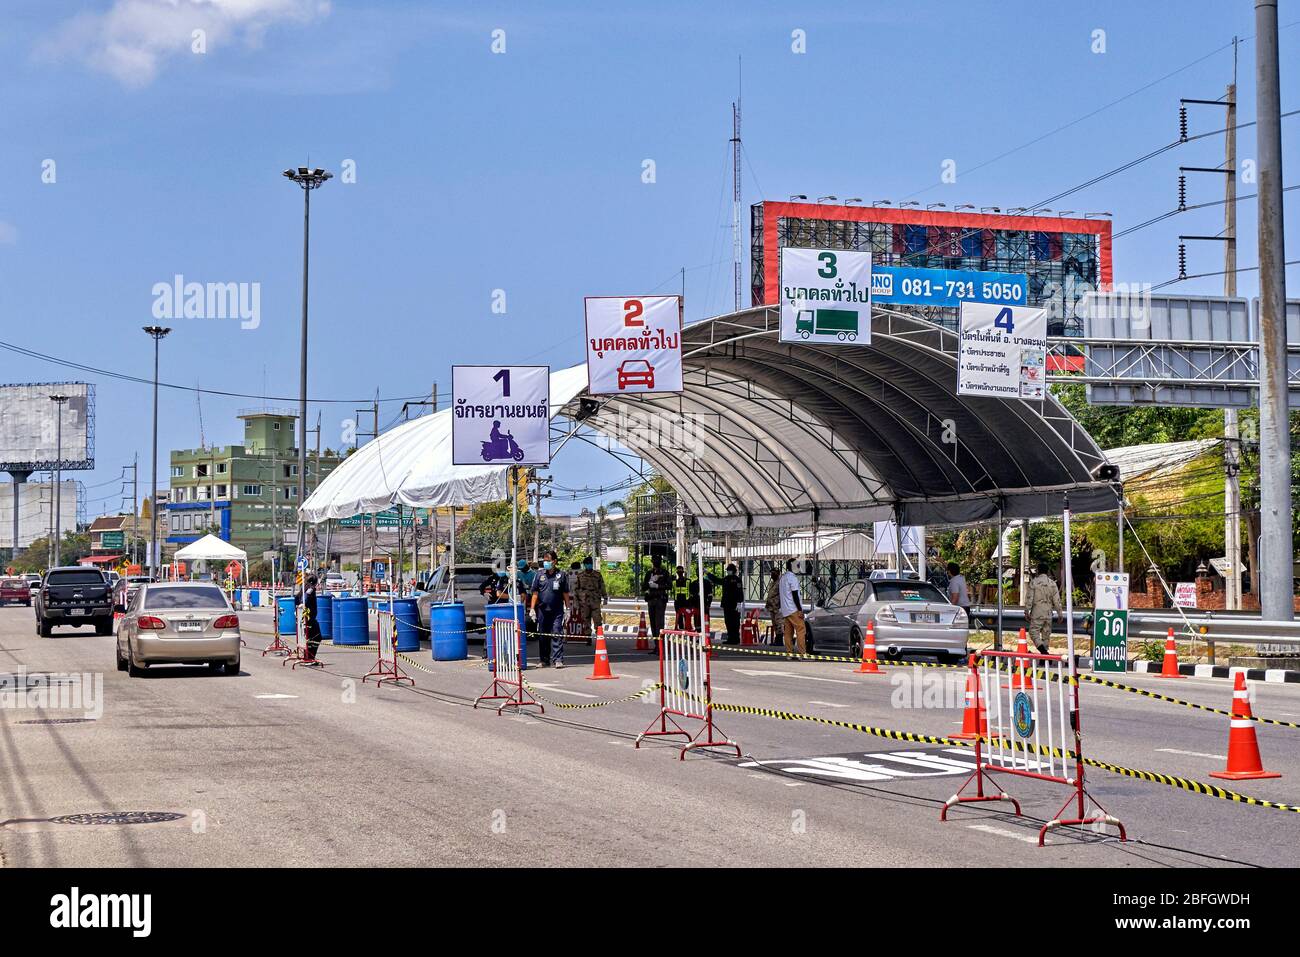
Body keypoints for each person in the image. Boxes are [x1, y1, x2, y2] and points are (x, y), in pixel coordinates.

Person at [529, 549, 570, 668]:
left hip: (557, 610)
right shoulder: (539, 575)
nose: (545, 563)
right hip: (542, 611)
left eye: (548, 560)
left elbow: (565, 594)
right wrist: (532, 609)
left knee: (557, 633)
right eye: (544, 560)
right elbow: (535, 593)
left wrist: (568, 609)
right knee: (543, 636)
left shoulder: (561, 575)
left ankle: (558, 659)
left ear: (554, 561)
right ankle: (544, 660)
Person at [1024, 564, 1062, 653]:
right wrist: (1060, 613)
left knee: (1033, 632)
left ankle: (1043, 652)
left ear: (1038, 571)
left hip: (1037, 612)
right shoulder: (1052, 583)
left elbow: (1030, 598)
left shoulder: (1034, 582)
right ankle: (1043, 658)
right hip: (1048, 613)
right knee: (1046, 635)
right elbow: (1057, 600)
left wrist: (1027, 611)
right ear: (1047, 571)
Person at [642, 555, 670, 653]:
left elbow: (669, 586)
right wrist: (650, 582)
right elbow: (644, 587)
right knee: (653, 625)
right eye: (655, 560)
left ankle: (661, 647)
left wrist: (658, 586)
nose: (656, 562)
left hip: (660, 600)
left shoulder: (665, 573)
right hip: (651, 600)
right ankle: (656, 646)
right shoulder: (649, 573)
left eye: (658, 560)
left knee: (659, 624)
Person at [778, 559, 807, 657]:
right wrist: (799, 610)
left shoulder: (783, 578)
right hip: (793, 609)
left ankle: (789, 653)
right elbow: (795, 595)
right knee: (801, 629)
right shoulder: (792, 578)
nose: (799, 567)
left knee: (788, 633)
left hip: (785, 610)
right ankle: (802, 653)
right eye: (797, 565)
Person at [574, 556, 608, 636]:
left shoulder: (597, 575)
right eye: (587, 564)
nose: (588, 565)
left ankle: (599, 636)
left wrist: (605, 597)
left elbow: (602, 586)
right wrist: (576, 602)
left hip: (595, 600)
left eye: (590, 564)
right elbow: (576, 589)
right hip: (584, 601)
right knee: (585, 619)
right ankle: (587, 636)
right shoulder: (580, 575)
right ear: (584, 565)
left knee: (597, 619)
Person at [295, 574, 322, 661]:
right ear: (315, 582)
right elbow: (305, 598)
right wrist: (303, 603)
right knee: (317, 637)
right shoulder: (310, 589)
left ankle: (308, 656)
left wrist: (296, 608)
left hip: (303, 618)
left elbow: (296, 598)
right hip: (309, 618)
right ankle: (310, 657)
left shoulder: (303, 588)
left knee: (309, 638)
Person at [720, 563, 744, 645]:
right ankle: (730, 637)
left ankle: (735, 638)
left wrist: (739, 602)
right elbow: (718, 581)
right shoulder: (726, 579)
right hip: (727, 604)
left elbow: (739, 591)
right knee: (728, 622)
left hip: (734, 604)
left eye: (729, 570)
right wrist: (708, 574)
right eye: (728, 570)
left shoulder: (737, 580)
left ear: (733, 571)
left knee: (735, 622)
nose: (728, 572)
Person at [764, 567, 783, 644]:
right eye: (771, 573)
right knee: (774, 623)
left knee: (779, 623)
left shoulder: (780, 583)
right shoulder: (772, 583)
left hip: (778, 606)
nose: (772, 575)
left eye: (774, 573)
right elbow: (770, 595)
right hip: (771, 606)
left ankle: (779, 640)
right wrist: (767, 605)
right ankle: (777, 639)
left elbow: (782, 595)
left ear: (778, 574)